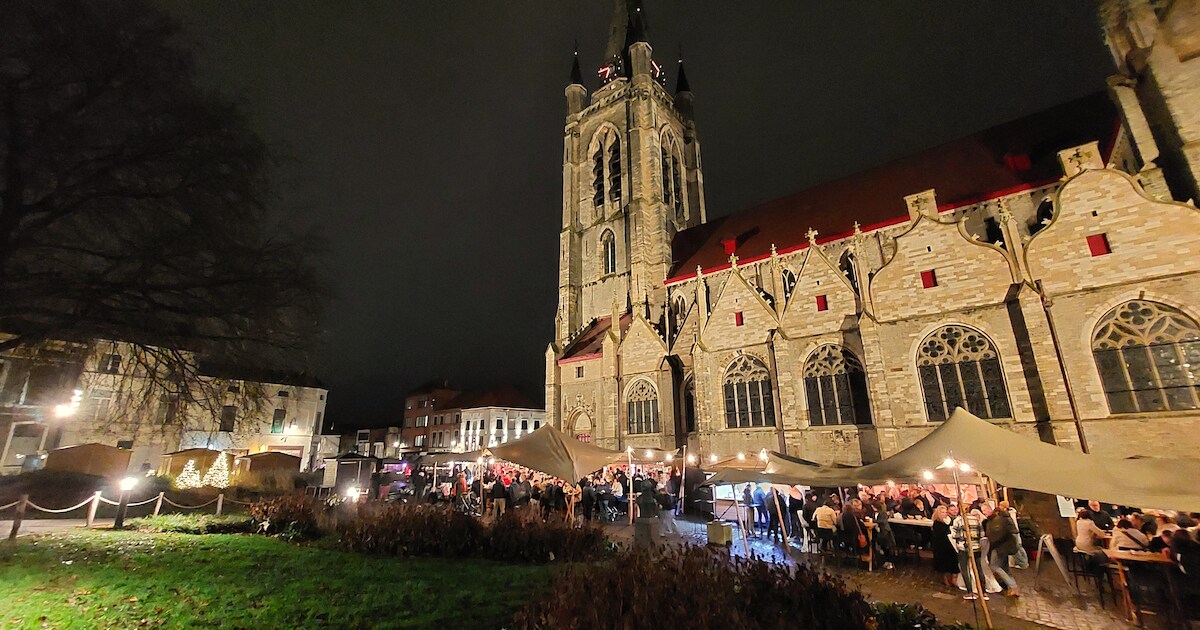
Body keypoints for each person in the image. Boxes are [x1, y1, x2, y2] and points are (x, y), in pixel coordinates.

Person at [950, 504, 987, 601]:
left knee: (964, 569)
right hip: (976, 547)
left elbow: (954, 535)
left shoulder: (958, 520)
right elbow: (982, 534)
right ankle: (983, 591)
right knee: (978, 568)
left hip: (964, 548)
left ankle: (970, 591)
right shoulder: (976, 520)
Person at [985, 503, 1021, 597]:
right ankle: (1012, 588)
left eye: (985, 510)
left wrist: (993, 542)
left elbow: (998, 534)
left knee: (994, 566)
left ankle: (1013, 586)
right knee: (1005, 568)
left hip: (999, 547)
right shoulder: (1000, 518)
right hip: (1003, 547)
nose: (984, 512)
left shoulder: (998, 520)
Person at [931, 505, 960, 589]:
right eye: (942, 512)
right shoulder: (937, 523)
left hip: (950, 544)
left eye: (945, 512)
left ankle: (953, 579)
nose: (944, 514)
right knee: (943, 563)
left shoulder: (950, 520)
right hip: (941, 545)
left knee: (953, 562)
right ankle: (946, 579)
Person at [1074, 508, 1109, 573]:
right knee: (1101, 551)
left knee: (1096, 551)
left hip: (1078, 543)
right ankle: (1099, 569)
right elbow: (1101, 534)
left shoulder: (1078, 522)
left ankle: (1089, 566)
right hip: (1087, 544)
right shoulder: (1089, 523)